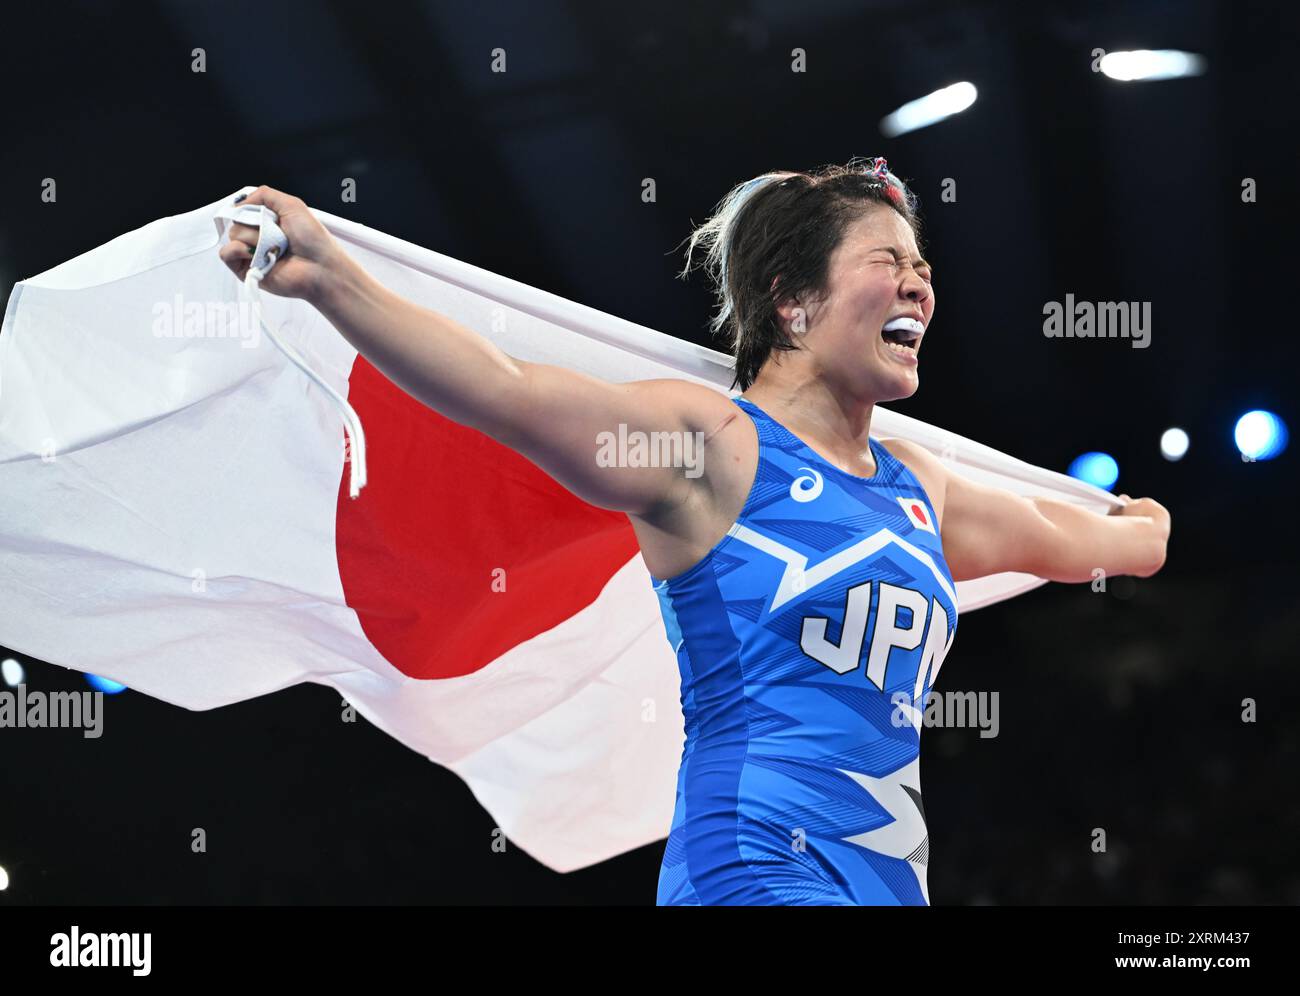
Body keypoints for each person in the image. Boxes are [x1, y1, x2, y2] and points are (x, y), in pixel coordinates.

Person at [220, 158, 1170, 905]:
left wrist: (1143, 528)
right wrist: (332, 281)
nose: (920, 285)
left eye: (923, 267)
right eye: (888, 263)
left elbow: (1086, 542)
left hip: (886, 882)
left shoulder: (921, 490)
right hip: (751, 867)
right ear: (791, 301)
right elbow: (506, 392)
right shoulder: (711, 446)